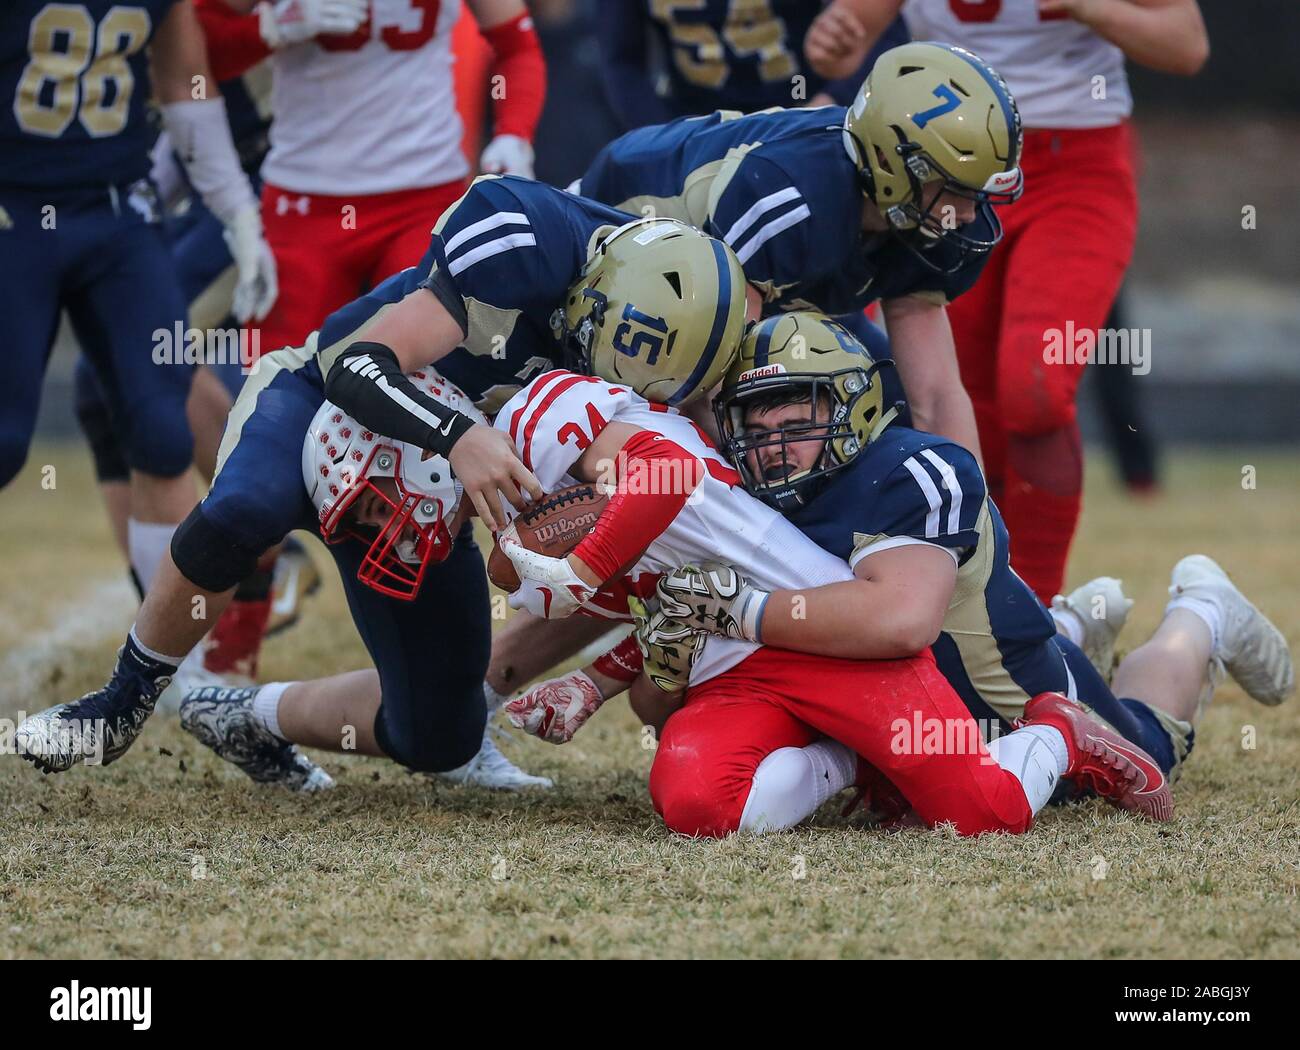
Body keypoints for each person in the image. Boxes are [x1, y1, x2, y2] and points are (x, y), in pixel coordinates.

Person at [15, 180, 749, 780]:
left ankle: (241, 713)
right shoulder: (524, 234)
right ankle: (120, 702)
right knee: (244, 508)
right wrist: (460, 437)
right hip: (321, 397)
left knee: (442, 735)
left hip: (427, 489)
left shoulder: (671, 344)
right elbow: (359, 363)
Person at [482, 366, 1173, 835]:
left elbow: (665, 478)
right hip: (736, 666)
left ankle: (1059, 730)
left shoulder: (546, 419)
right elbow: (683, 595)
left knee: (983, 813)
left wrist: (577, 571)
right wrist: (589, 684)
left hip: (834, 644)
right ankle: (854, 758)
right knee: (699, 805)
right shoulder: (521, 502)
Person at [640, 313, 1291, 807]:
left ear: (852, 404)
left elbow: (903, 622)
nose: (771, 446)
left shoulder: (910, 472)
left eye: (795, 420)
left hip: (1003, 694)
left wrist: (745, 611)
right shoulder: (742, 500)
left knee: (1146, 743)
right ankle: (1075, 623)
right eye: (753, 429)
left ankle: (1199, 614)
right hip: (892, 710)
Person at [802, 0, 1209, 600]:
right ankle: (984, 607)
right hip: (940, 173)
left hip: (1073, 168)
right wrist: (832, 44)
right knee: (952, 403)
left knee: (1035, 388)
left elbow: (1186, 44)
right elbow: (838, 44)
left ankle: (1041, 612)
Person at [577, 41, 1025, 455]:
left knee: (877, 401)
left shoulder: (912, 212)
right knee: (763, 427)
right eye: (953, 189)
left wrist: (971, 517)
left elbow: (935, 396)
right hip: (621, 241)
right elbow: (707, 381)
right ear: (890, 162)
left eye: (975, 193)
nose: (966, 214)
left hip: (748, 288)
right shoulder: (793, 194)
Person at [1, 0, 275, 605]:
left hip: (117, 210)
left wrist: (237, 214)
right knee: (5, 440)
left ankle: (175, 667)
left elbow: (184, 83)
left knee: (161, 431)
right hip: (12, 207)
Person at [596, 0, 908, 130]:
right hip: (700, 127)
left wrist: (831, 103)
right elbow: (621, 61)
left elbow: (884, 28)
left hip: (808, 117)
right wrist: (669, 138)